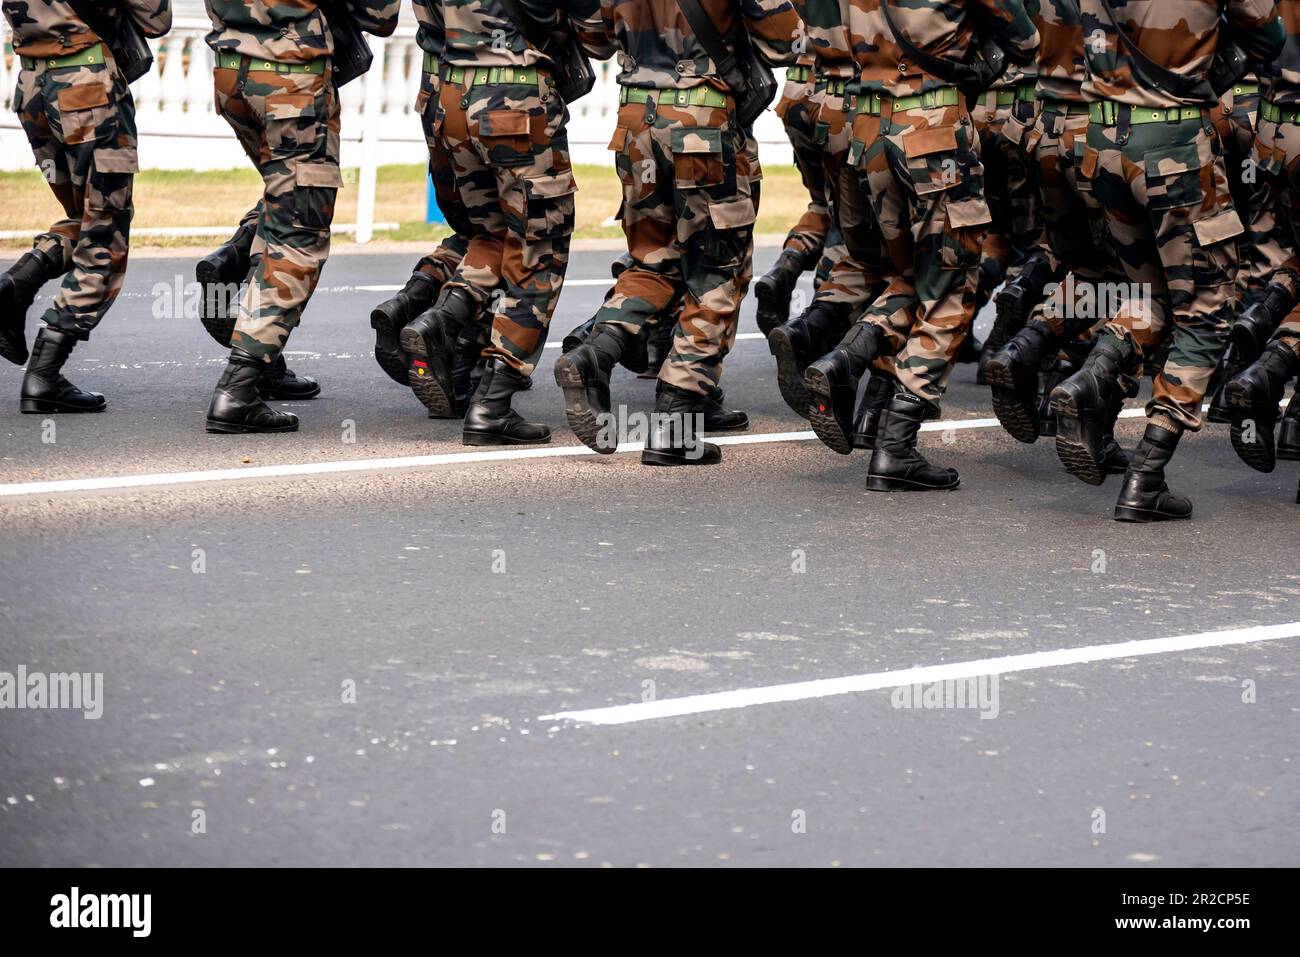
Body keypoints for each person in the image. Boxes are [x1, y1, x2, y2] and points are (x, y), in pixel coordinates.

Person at [1051, 0, 1283, 521]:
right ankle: (1146, 476)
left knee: (1147, 296)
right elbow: (1270, 38)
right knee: (1205, 312)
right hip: (1174, 146)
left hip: (1104, 140)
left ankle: (1091, 377)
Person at [552, 0, 800, 465]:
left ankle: (593, 356)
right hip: (702, 124)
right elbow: (785, 40)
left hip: (635, 118)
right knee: (716, 273)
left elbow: (594, 38)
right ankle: (675, 421)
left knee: (653, 261)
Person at [202, 0, 399, 434]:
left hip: (232, 72)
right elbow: (381, 16)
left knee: (283, 201)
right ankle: (238, 388)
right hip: (290, 81)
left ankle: (235, 266)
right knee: (299, 233)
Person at [0, 0, 172, 413]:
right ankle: (45, 374)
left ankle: (16, 284)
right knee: (105, 231)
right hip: (87, 87)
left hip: (32, 85)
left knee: (86, 218)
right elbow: (156, 20)